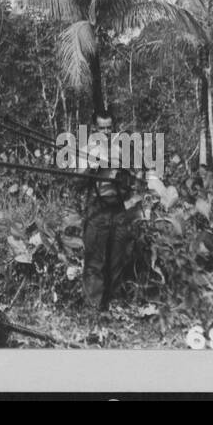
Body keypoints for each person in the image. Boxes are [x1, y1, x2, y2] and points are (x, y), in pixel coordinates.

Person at [80, 116, 139, 311]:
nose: (105, 132)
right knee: (95, 261)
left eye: (108, 128)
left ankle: (113, 304)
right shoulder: (87, 149)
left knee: (117, 258)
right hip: (98, 208)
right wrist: (92, 165)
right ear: (95, 128)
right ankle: (93, 307)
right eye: (101, 128)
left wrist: (126, 168)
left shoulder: (120, 147)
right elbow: (77, 178)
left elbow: (135, 173)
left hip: (119, 209)